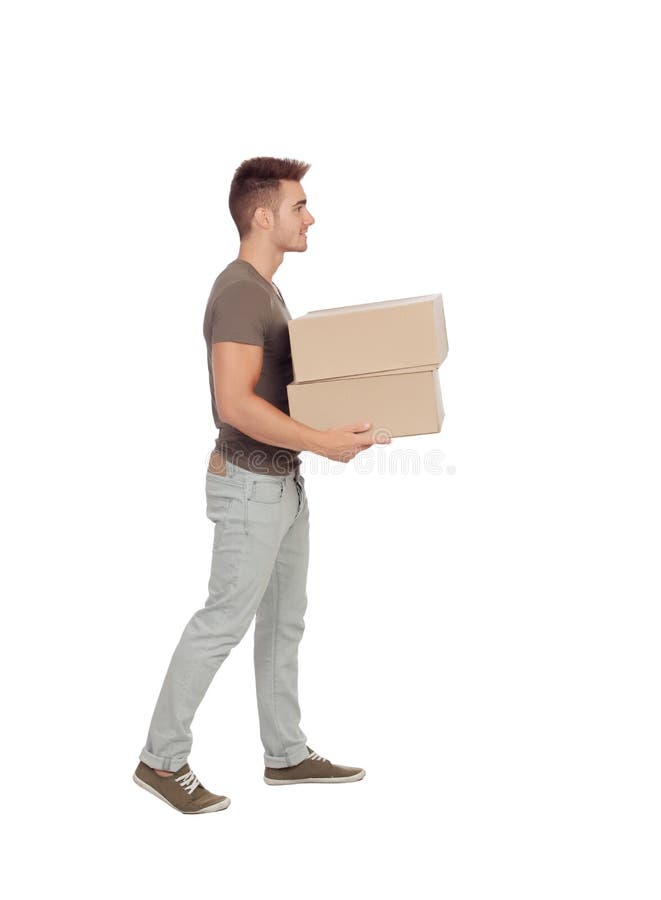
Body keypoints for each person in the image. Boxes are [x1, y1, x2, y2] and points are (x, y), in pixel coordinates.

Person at [133, 156, 391, 814]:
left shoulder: (266, 291)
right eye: (299, 206)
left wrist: (346, 423)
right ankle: (160, 759)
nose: (311, 218)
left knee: (282, 623)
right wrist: (322, 442)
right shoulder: (241, 292)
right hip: (250, 484)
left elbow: (280, 394)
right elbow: (235, 403)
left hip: (281, 482)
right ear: (262, 215)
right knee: (223, 621)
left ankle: (286, 753)